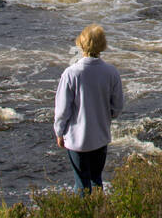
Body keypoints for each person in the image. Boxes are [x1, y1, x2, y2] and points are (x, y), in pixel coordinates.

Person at [53, 24, 124, 196]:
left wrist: (59, 132)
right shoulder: (111, 72)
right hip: (100, 136)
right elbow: (117, 106)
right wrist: (109, 115)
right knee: (96, 180)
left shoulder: (71, 73)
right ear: (103, 46)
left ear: (81, 44)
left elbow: (63, 109)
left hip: (76, 139)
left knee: (81, 184)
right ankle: (100, 216)